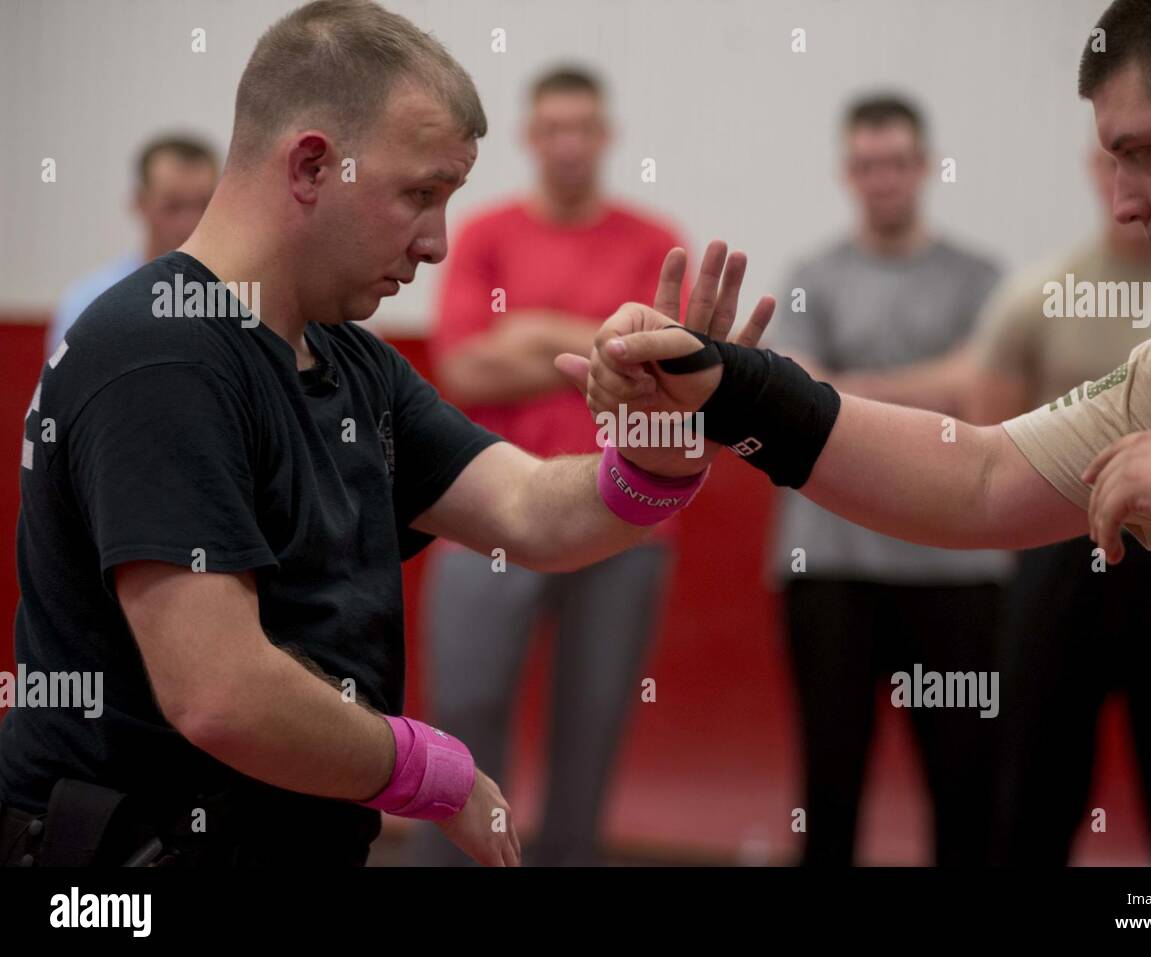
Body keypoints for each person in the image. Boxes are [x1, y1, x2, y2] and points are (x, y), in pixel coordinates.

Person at [0, 0, 770, 868]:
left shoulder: (346, 358)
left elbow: (525, 507)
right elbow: (219, 692)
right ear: (312, 165)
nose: (439, 242)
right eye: (420, 193)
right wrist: (429, 770)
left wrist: (653, 460)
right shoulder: (160, 353)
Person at [563, 0, 1151, 866]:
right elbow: (981, 473)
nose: (1125, 204)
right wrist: (730, 390)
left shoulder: (1004, 283)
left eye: (1143, 152)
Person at [843, 144, 1151, 864]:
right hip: (1061, 561)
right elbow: (994, 445)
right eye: (1113, 162)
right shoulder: (1039, 294)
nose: (1128, 184)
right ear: (1095, 173)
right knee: (1034, 790)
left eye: (1147, 158)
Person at [423, 66, 688, 866]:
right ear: (532, 137)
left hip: (626, 519)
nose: (569, 144)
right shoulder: (482, 234)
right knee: (461, 717)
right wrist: (592, 343)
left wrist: (530, 337)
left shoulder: (653, 241)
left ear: (605, 137)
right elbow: (465, 370)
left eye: (584, 127)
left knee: (594, 720)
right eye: (553, 128)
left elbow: (660, 378)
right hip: (484, 509)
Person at [768, 94, 1008, 866]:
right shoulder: (809, 275)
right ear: (849, 173)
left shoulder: (981, 277)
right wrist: (924, 391)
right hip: (831, 568)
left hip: (960, 566)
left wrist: (846, 391)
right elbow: (797, 402)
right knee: (830, 782)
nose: (883, 179)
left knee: (966, 785)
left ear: (925, 167)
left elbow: (981, 390)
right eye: (867, 165)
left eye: (897, 162)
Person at [47, 135, 218, 358]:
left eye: (204, 204)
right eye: (173, 206)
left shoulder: (239, 297)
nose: (190, 222)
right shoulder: (90, 301)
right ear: (140, 202)